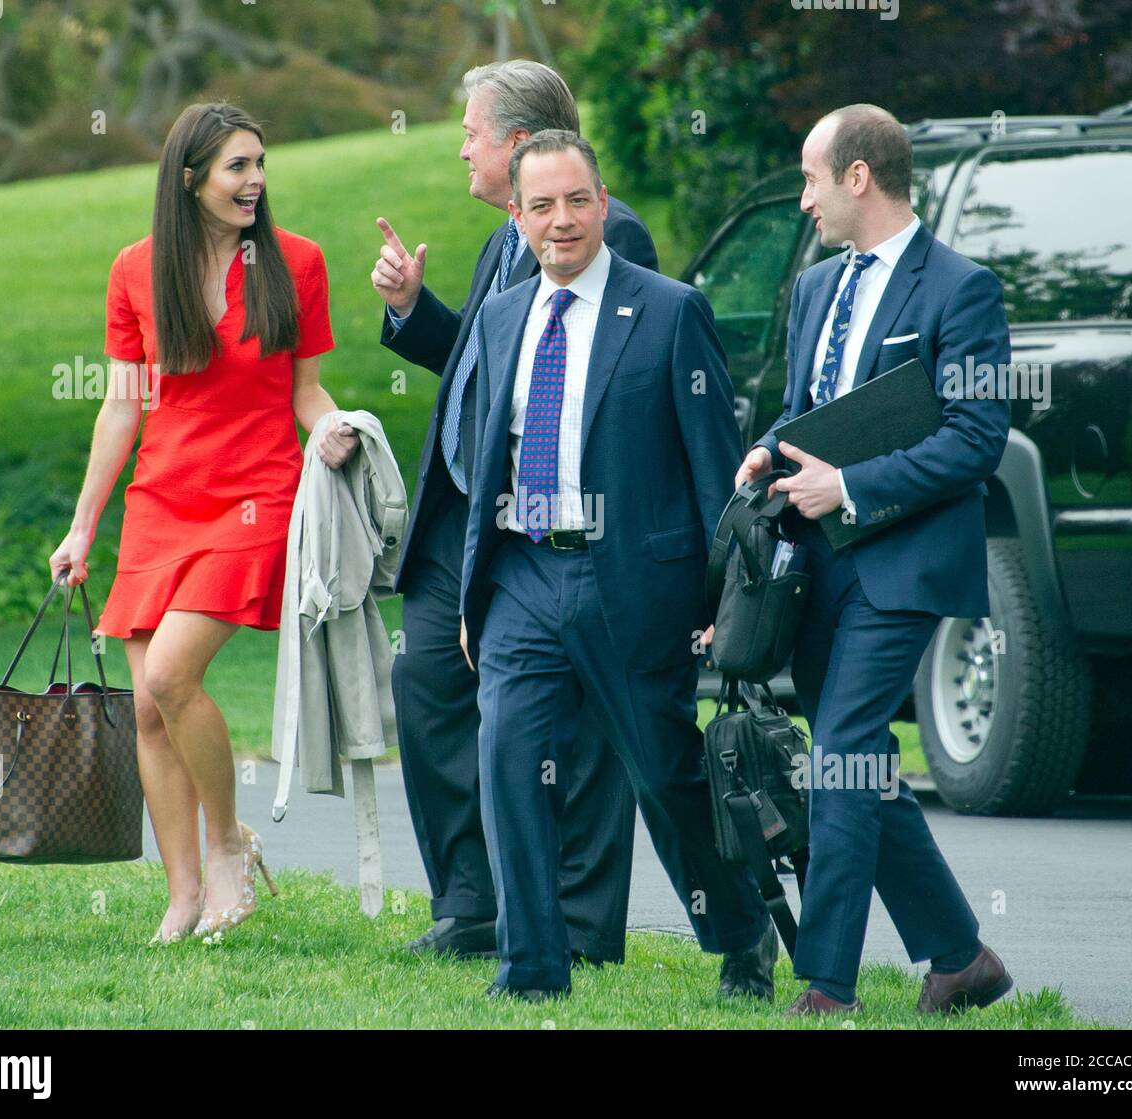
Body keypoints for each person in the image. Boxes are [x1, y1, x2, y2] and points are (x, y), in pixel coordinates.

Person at [459, 129, 778, 1001]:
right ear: (516, 217)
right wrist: (472, 594)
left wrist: (725, 599)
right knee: (509, 759)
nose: (560, 221)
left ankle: (742, 930)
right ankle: (531, 969)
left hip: (636, 585)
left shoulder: (671, 311)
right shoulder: (498, 317)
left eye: (575, 201)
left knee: (666, 773)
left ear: (602, 203)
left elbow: (720, 472)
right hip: (523, 576)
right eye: (540, 206)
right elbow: (491, 457)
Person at [728, 103, 1014, 1015]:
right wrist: (770, 450)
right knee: (861, 767)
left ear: (858, 176)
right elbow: (809, 405)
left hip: (906, 562)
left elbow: (977, 439)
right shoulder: (818, 285)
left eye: (811, 177)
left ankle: (826, 984)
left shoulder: (965, 290)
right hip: (818, 565)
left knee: (846, 749)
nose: (804, 198)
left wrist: (849, 487)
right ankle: (961, 957)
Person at [50, 102, 358, 946]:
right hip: (161, 501)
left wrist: (330, 426)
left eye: (260, 163)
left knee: (169, 676)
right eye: (236, 166)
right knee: (148, 709)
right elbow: (123, 406)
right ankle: (182, 892)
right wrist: (84, 527)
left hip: (257, 496)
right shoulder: (135, 269)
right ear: (191, 179)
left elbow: (307, 388)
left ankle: (228, 841)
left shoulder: (297, 263)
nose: (255, 180)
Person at [372, 61, 657, 966]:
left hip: (554, 527)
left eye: (470, 131)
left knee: (578, 727)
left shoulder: (614, 237)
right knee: (429, 691)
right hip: (462, 519)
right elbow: (492, 362)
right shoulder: (506, 237)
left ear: (521, 142)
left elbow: (610, 383)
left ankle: (579, 929)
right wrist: (415, 314)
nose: (460, 145)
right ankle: (471, 904)